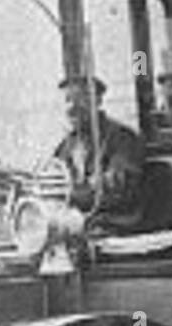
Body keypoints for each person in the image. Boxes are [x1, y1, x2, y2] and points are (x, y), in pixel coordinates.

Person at [53, 72, 144, 230]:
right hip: (80, 221)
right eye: (67, 100)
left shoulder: (121, 137)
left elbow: (117, 187)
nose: (71, 108)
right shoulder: (65, 146)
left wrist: (70, 194)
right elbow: (54, 178)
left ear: (97, 101)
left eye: (80, 99)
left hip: (115, 222)